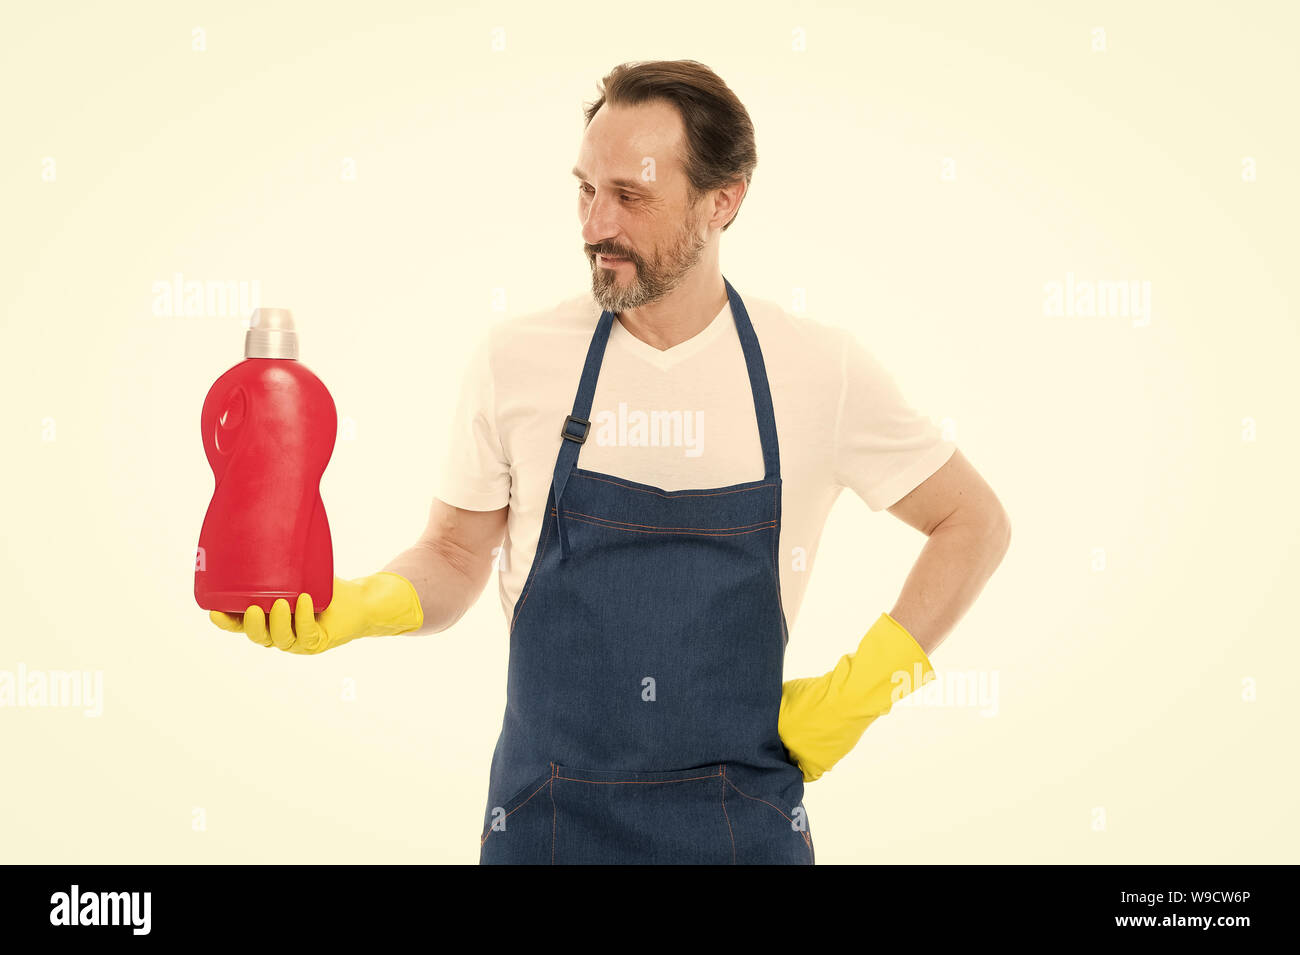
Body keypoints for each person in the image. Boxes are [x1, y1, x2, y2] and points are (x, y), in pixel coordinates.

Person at [210, 59, 1011, 865]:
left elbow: (973, 521)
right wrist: (363, 605)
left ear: (722, 201)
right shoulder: (517, 359)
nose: (596, 224)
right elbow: (455, 554)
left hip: (742, 824)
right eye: (586, 190)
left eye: (630, 195)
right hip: (544, 822)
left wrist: (862, 692)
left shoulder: (817, 370)